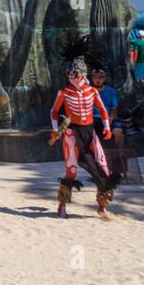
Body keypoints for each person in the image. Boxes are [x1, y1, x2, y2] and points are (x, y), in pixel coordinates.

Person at [50, 61, 119, 220]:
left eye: (75, 74)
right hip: (71, 133)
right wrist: (55, 129)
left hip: (89, 132)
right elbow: (54, 112)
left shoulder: (92, 91)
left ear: (82, 74)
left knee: (103, 168)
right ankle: (62, 205)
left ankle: (102, 207)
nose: (72, 78)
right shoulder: (64, 92)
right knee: (71, 171)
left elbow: (102, 110)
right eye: (70, 75)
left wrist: (107, 127)